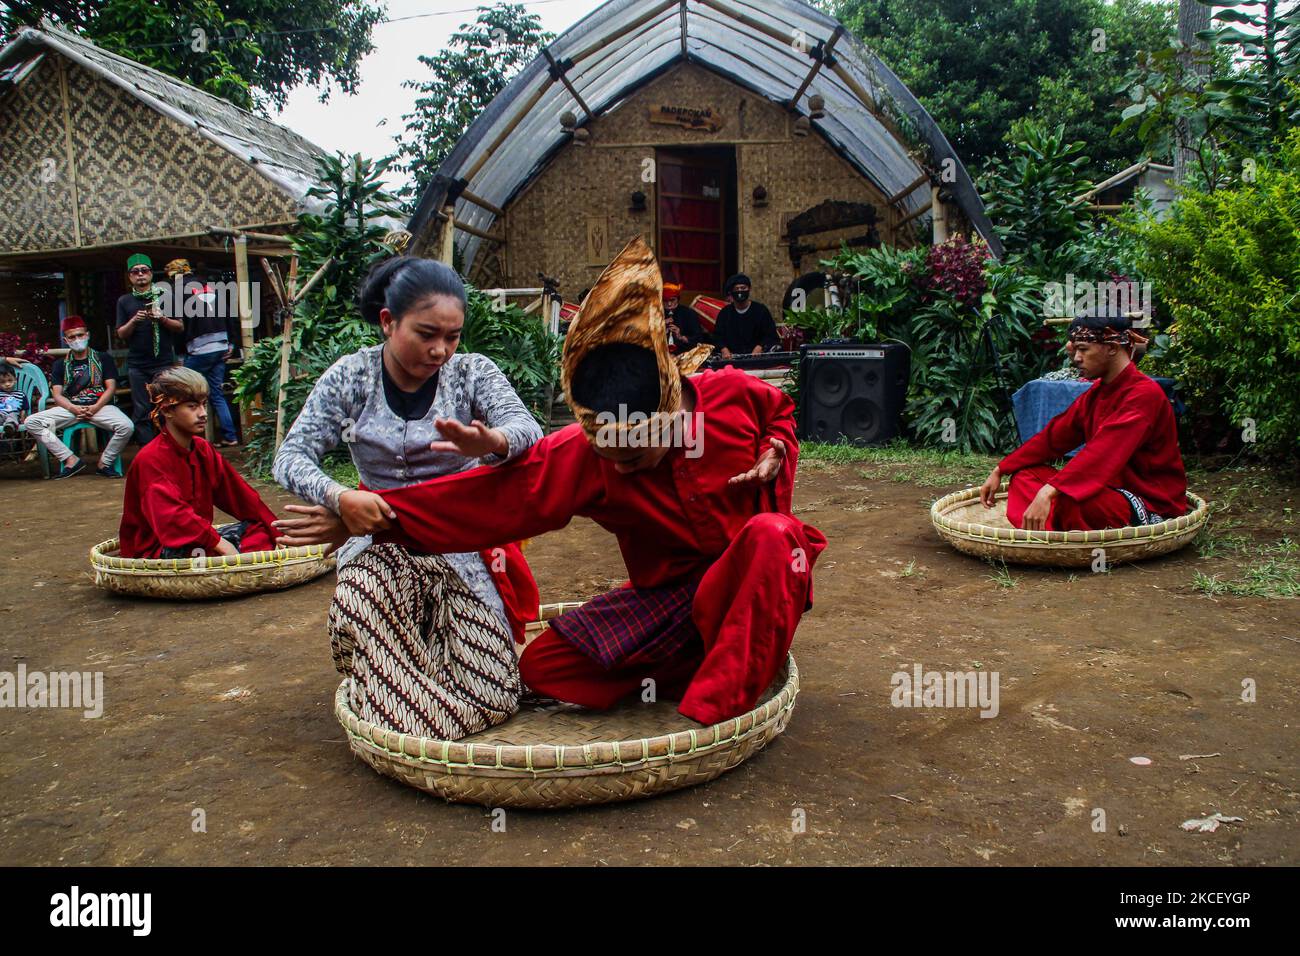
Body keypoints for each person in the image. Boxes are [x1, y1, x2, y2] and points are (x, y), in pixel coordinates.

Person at [353, 237, 826, 727]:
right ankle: (704, 661)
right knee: (545, 668)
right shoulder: (581, 454)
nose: (619, 470)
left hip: (747, 582)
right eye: (610, 456)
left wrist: (777, 446)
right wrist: (370, 514)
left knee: (775, 535)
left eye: (635, 457)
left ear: (669, 419)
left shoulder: (734, 394)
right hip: (671, 599)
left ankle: (714, 712)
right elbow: (490, 500)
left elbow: (780, 411)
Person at [270, 256, 544, 741]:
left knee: (497, 694)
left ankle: (399, 703)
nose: (440, 349)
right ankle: (410, 694)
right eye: (426, 333)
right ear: (387, 321)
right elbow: (291, 456)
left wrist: (493, 443)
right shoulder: (351, 377)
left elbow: (528, 429)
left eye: (453, 336)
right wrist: (340, 499)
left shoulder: (472, 373)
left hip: (456, 542)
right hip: (378, 543)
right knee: (360, 601)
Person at [978, 310, 1186, 531]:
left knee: (1069, 499)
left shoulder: (1144, 395)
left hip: (1147, 501)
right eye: (1075, 350)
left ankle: (1049, 529)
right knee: (1024, 477)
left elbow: (1101, 454)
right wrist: (1002, 468)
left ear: (1112, 348)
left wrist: (1050, 491)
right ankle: (1054, 529)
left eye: (1083, 350)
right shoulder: (1097, 392)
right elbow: (1054, 437)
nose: (1076, 358)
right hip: (1106, 491)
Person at [117, 367, 279, 559]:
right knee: (205, 552)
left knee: (260, 531)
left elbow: (242, 497)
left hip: (199, 541)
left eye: (203, 405)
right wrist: (220, 543)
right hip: (158, 548)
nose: (202, 413)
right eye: (192, 406)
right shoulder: (150, 459)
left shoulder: (203, 449)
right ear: (168, 410)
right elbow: (173, 519)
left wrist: (278, 533)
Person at [23, 316, 134, 479]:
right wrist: (72, 408)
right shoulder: (60, 364)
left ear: (87, 335)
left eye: (80, 335)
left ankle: (106, 462)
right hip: (71, 410)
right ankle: (70, 459)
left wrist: (95, 407)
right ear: (65, 340)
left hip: (101, 407)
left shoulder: (103, 358)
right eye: (72, 337)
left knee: (127, 426)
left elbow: (111, 388)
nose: (77, 339)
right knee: (31, 422)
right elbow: (57, 395)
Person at [168, 258, 241, 447]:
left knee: (183, 390)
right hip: (221, 345)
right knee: (216, 392)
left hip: (199, 347)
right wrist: (231, 341)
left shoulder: (177, 291)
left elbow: (179, 327)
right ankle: (230, 436)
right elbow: (228, 313)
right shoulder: (210, 287)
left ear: (175, 275)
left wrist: (181, 354)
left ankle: (189, 439)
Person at [115, 253, 182, 445]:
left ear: (151, 274)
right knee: (142, 411)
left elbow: (179, 327)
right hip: (138, 365)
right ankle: (149, 450)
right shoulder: (124, 301)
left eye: (144, 270)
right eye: (135, 272)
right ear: (130, 277)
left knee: (167, 407)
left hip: (163, 363)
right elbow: (121, 333)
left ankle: (169, 448)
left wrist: (161, 319)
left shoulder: (166, 296)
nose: (140, 274)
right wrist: (134, 321)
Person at [711, 272, 779, 358]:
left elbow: (771, 335)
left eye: (743, 288)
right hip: (731, 359)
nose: (740, 291)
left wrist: (760, 347)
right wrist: (724, 349)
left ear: (749, 289)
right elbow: (717, 337)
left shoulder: (761, 311)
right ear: (731, 292)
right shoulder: (725, 313)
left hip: (757, 360)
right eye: (736, 289)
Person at [662, 282, 707, 352]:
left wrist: (681, 337)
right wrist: (659, 328)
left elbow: (699, 339)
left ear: (678, 299)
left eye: (672, 300)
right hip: (661, 355)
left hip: (684, 354)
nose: (669, 304)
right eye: (665, 300)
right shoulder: (656, 315)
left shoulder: (689, 313)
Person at [0, 362, 29, 456]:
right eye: (3, 382)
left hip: (13, 415)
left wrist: (23, 417)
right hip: (1, 414)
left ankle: (10, 427)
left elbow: (24, 408)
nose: (7, 384)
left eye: (10, 380)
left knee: (12, 416)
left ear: (15, 380)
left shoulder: (20, 394)